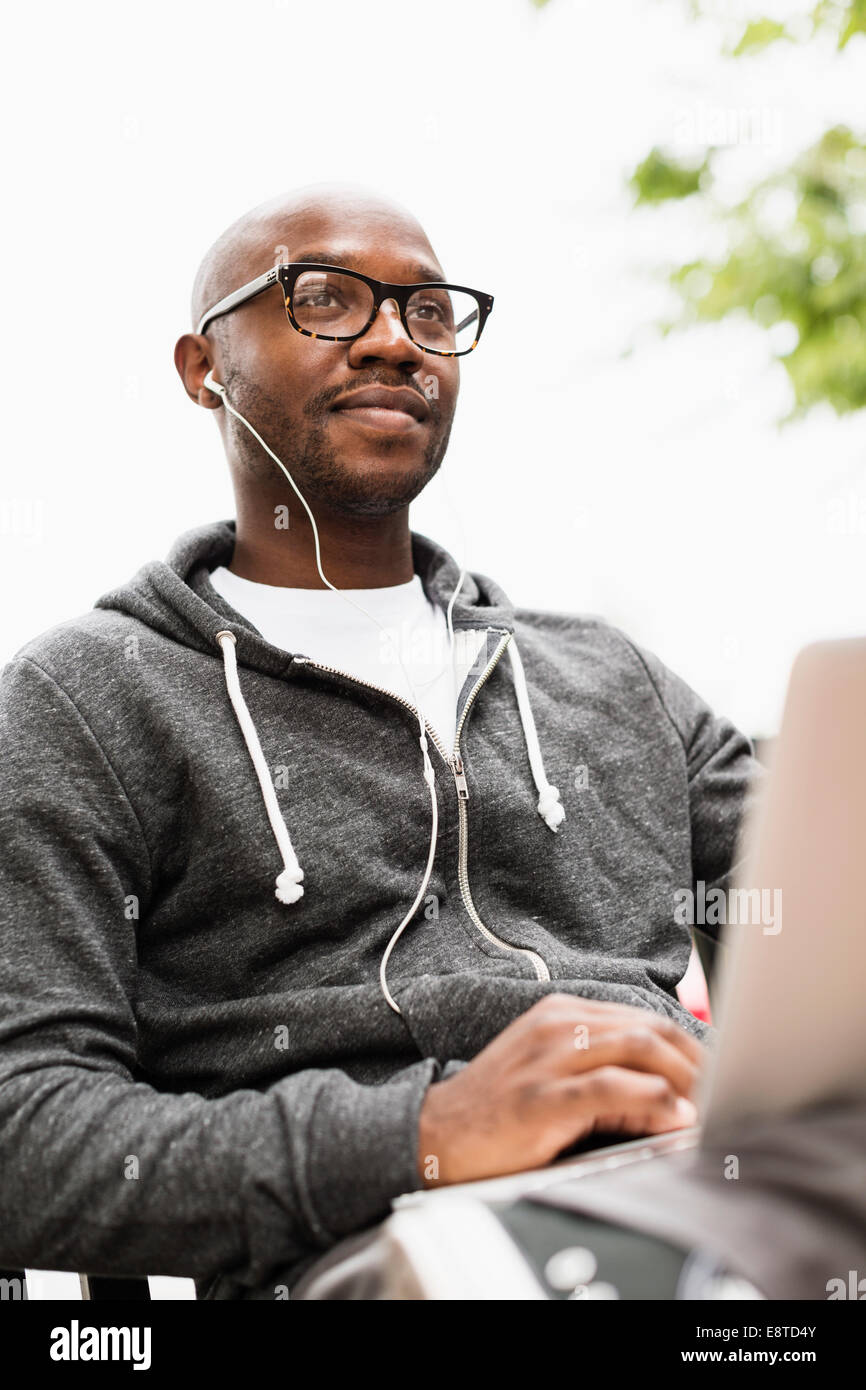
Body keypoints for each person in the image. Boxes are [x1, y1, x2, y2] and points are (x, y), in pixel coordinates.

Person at [0, 183, 760, 1301]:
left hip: (694, 1197)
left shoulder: (611, 679)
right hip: (372, 1253)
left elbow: (817, 958)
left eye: (430, 313)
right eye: (327, 300)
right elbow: (26, 1129)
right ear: (202, 367)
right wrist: (429, 1129)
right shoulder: (85, 701)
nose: (397, 340)